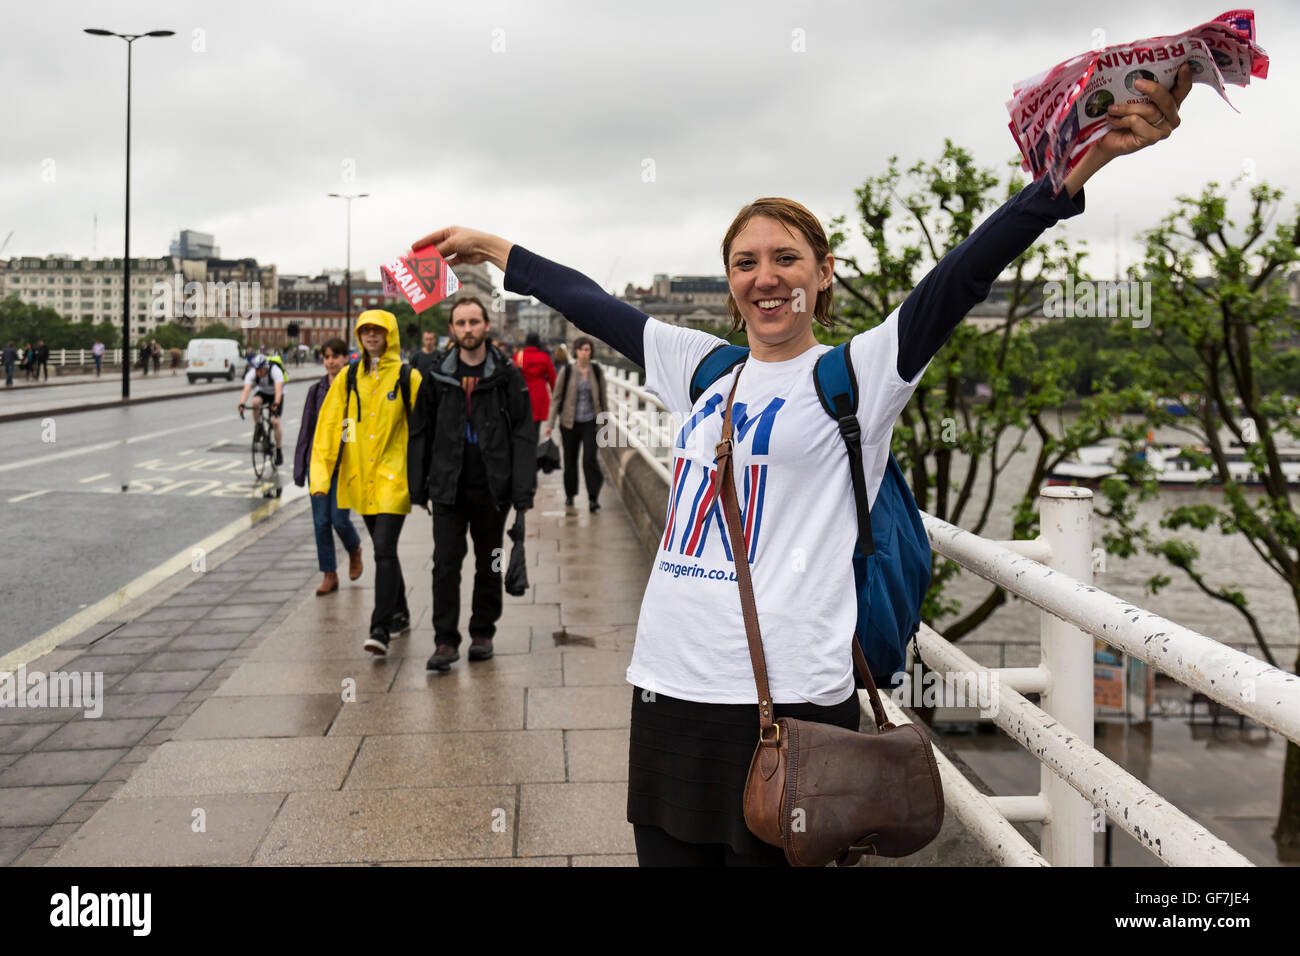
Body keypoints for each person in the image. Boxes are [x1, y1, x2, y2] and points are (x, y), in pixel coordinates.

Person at [413, 64, 1191, 867]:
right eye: (746, 263)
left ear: (822, 273)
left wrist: (1069, 176)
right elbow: (590, 300)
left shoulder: (858, 375)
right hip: (671, 681)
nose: (766, 278)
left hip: (789, 695)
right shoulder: (703, 369)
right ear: (730, 283)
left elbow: (961, 276)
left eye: (786, 258)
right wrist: (494, 247)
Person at [407, 296, 536, 672]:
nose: (467, 329)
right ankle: (445, 641)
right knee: (445, 564)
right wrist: (418, 485)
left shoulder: (506, 375)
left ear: (485, 326)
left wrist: (523, 491)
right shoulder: (436, 374)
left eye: (473, 322)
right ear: (452, 329)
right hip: (447, 486)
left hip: (492, 487)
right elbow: (420, 431)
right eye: (460, 323)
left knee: (490, 562)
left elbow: (524, 434)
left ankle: (483, 631)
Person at [310, 311, 422, 655]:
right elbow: (330, 425)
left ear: (390, 335)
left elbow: (425, 428)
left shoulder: (408, 376)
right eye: (365, 330)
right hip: (362, 480)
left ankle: (380, 628)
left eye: (378, 330)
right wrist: (320, 474)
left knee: (384, 549)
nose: (372, 335)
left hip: (395, 479)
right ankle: (401, 612)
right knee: (384, 550)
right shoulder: (349, 377)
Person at [295, 337, 364, 595]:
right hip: (319, 465)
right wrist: (301, 468)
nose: (331, 361)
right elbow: (307, 430)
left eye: (335, 356)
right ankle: (329, 574)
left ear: (346, 358)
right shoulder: (316, 391)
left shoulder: (353, 388)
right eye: (327, 357)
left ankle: (354, 549)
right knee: (320, 522)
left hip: (344, 464)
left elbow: (355, 428)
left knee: (339, 519)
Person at [545, 337, 607, 512]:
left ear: (591, 352)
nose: (585, 353)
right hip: (569, 423)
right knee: (570, 460)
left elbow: (603, 399)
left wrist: (605, 424)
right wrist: (550, 424)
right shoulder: (567, 371)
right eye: (581, 350)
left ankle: (593, 498)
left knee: (589, 460)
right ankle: (570, 495)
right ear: (576, 351)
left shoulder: (596, 370)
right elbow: (556, 398)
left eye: (587, 350)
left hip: (590, 423)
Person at [237, 354, 286, 467]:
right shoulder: (252, 373)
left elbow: (279, 390)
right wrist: (242, 403)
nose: (258, 372)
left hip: (276, 394)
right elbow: (246, 389)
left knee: (275, 422)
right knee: (255, 403)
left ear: (265, 367)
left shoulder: (275, 371)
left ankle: (279, 450)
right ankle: (258, 426)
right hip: (263, 392)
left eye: (260, 369)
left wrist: (276, 404)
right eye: (256, 369)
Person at [515, 330, 557, 446]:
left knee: (522, 427)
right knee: (536, 427)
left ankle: (524, 452)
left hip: (522, 395)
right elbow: (553, 379)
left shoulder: (519, 356)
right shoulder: (544, 357)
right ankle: (534, 453)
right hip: (539, 395)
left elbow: (512, 377)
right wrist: (556, 398)